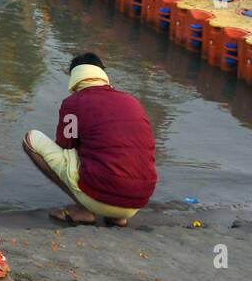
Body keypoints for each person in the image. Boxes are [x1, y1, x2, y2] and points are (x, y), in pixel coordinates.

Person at [24, 53, 157, 227]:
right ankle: (118, 217)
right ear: (102, 75)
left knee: (30, 139)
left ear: (75, 77)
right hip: (137, 202)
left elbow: (65, 146)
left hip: (100, 197)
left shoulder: (73, 103)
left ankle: (84, 209)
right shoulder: (132, 101)